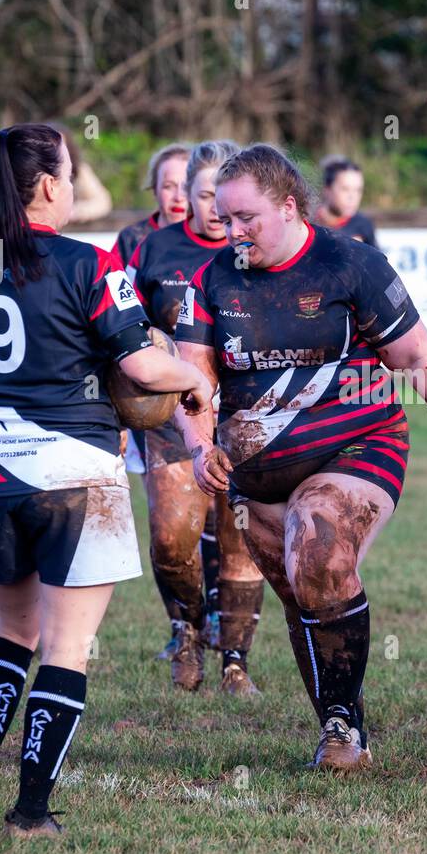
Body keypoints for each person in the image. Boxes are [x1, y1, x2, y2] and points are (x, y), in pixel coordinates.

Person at [0, 123, 211, 836]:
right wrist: (194, 379)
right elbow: (142, 369)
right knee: (66, 649)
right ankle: (31, 811)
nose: (75, 186)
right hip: (79, 475)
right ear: (48, 186)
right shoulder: (90, 262)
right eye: (72, 174)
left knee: (10, 632)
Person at [171, 144, 427, 770]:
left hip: (358, 443)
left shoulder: (352, 264)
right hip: (253, 474)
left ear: (289, 206)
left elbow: (417, 359)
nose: (231, 231)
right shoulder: (211, 280)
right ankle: (343, 726)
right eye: (224, 217)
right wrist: (199, 444)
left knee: (316, 550)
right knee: (303, 597)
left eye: (246, 219)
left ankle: (342, 728)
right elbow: (192, 381)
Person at [130, 140, 267, 695]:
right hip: (173, 419)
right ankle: (185, 630)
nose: (214, 208)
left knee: (240, 540)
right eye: (204, 194)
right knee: (171, 539)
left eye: (224, 196)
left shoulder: (254, 251)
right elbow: (124, 337)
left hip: (246, 417)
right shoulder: (154, 250)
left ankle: (236, 664)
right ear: (186, 196)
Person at [114, 142, 193, 269]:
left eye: (186, 187)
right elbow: (110, 285)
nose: (178, 197)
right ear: (154, 189)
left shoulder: (213, 238)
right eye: (168, 186)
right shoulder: (131, 239)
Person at [49, 122, 113, 223]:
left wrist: (76, 211)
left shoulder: (79, 170)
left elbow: (102, 201)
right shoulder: (30, 169)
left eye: (61, 145)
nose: (56, 150)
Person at [315, 155, 377, 247]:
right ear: (327, 189)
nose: (352, 197)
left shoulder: (363, 225)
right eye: (345, 189)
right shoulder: (308, 222)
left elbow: (376, 259)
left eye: (358, 190)